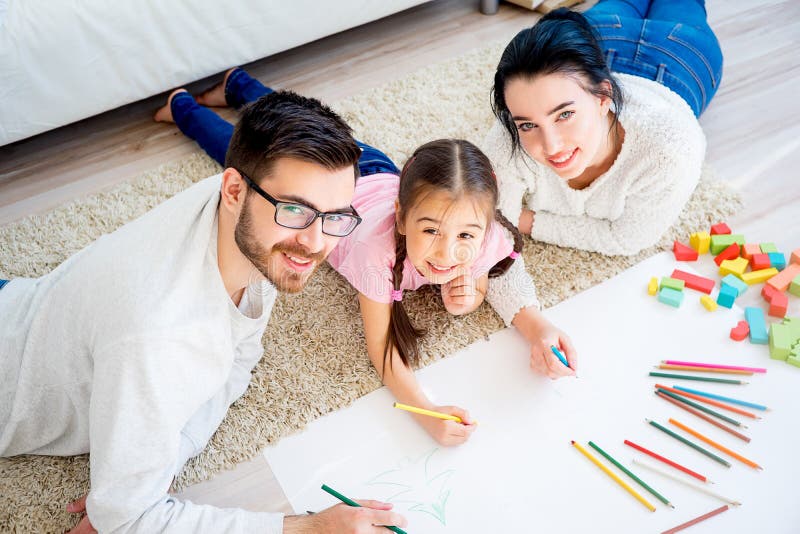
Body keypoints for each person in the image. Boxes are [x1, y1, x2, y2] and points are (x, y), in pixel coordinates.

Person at [0, 91, 408, 533]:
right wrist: (311, 529)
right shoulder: (157, 335)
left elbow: (241, 356)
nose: (315, 243)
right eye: (296, 210)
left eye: (334, 217)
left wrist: (170, 452)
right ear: (233, 189)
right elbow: (126, 518)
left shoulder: (248, 227)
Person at [156, 68, 577, 446]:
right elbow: (382, 348)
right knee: (262, 141)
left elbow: (498, 272)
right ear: (402, 219)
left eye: (465, 235)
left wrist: (488, 300)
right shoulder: (377, 255)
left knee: (294, 127)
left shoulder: (480, 230)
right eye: (429, 230)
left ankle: (236, 83)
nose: (448, 253)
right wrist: (425, 412)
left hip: (386, 175)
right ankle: (184, 107)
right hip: (350, 179)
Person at [485, 1, 723, 255]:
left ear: (603, 98)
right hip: (600, 39)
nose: (551, 145)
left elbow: (625, 240)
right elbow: (496, 228)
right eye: (528, 124)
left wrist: (528, 221)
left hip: (680, 57)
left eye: (564, 114)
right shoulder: (508, 140)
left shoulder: (669, 151)